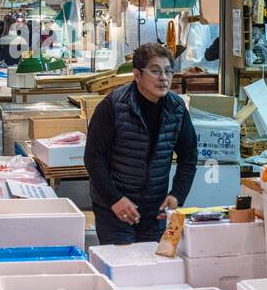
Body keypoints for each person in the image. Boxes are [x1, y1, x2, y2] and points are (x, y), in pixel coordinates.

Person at [84, 43, 198, 245]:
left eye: (168, 71)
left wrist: (177, 195)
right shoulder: (113, 106)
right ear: (137, 75)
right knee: (122, 268)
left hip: (155, 212)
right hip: (115, 210)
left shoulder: (177, 108)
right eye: (155, 71)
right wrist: (114, 199)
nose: (163, 78)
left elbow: (189, 156)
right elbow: (93, 158)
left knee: (152, 267)